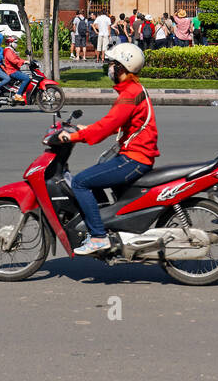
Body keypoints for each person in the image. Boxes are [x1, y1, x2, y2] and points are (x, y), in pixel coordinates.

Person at [58, 43, 159, 255]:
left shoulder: (130, 94)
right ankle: (106, 223)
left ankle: (98, 237)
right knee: (95, 176)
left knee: (80, 182)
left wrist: (74, 136)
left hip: (134, 159)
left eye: (112, 64)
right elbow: (119, 124)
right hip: (136, 155)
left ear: (122, 67)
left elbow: (107, 126)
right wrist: (87, 129)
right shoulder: (134, 90)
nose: (109, 69)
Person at [2, 34, 32, 101]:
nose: (16, 44)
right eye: (15, 42)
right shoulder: (8, 51)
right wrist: (24, 62)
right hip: (11, 71)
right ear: (10, 43)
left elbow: (17, 59)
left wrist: (24, 61)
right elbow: (14, 60)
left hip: (14, 69)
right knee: (26, 78)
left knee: (26, 76)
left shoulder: (11, 50)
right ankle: (18, 94)